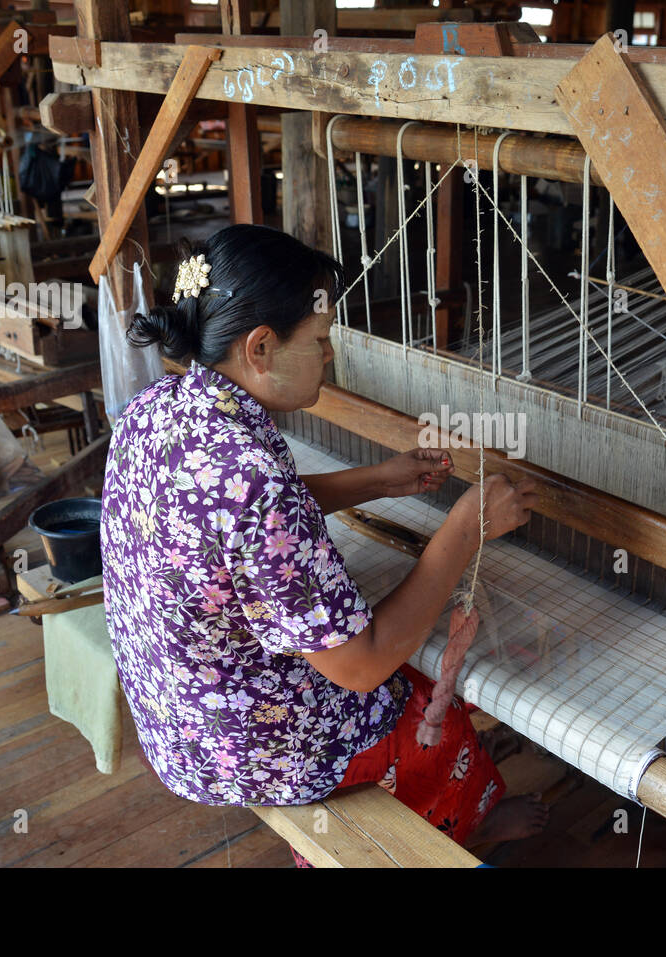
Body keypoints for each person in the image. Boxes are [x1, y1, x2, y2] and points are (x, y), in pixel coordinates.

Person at [101, 223, 548, 864]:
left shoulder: (161, 406)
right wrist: (465, 528)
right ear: (260, 348)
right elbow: (361, 666)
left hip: (174, 720)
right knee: (429, 698)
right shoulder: (251, 478)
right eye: (318, 337)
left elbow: (232, 524)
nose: (330, 352)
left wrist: (379, 478)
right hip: (244, 747)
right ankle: (464, 826)